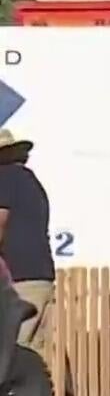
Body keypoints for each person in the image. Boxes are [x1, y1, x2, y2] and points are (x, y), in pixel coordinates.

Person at [0, 130, 53, 351]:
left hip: (18, 278)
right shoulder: (30, 181)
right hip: (40, 275)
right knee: (34, 353)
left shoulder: (3, 178)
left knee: (13, 352)